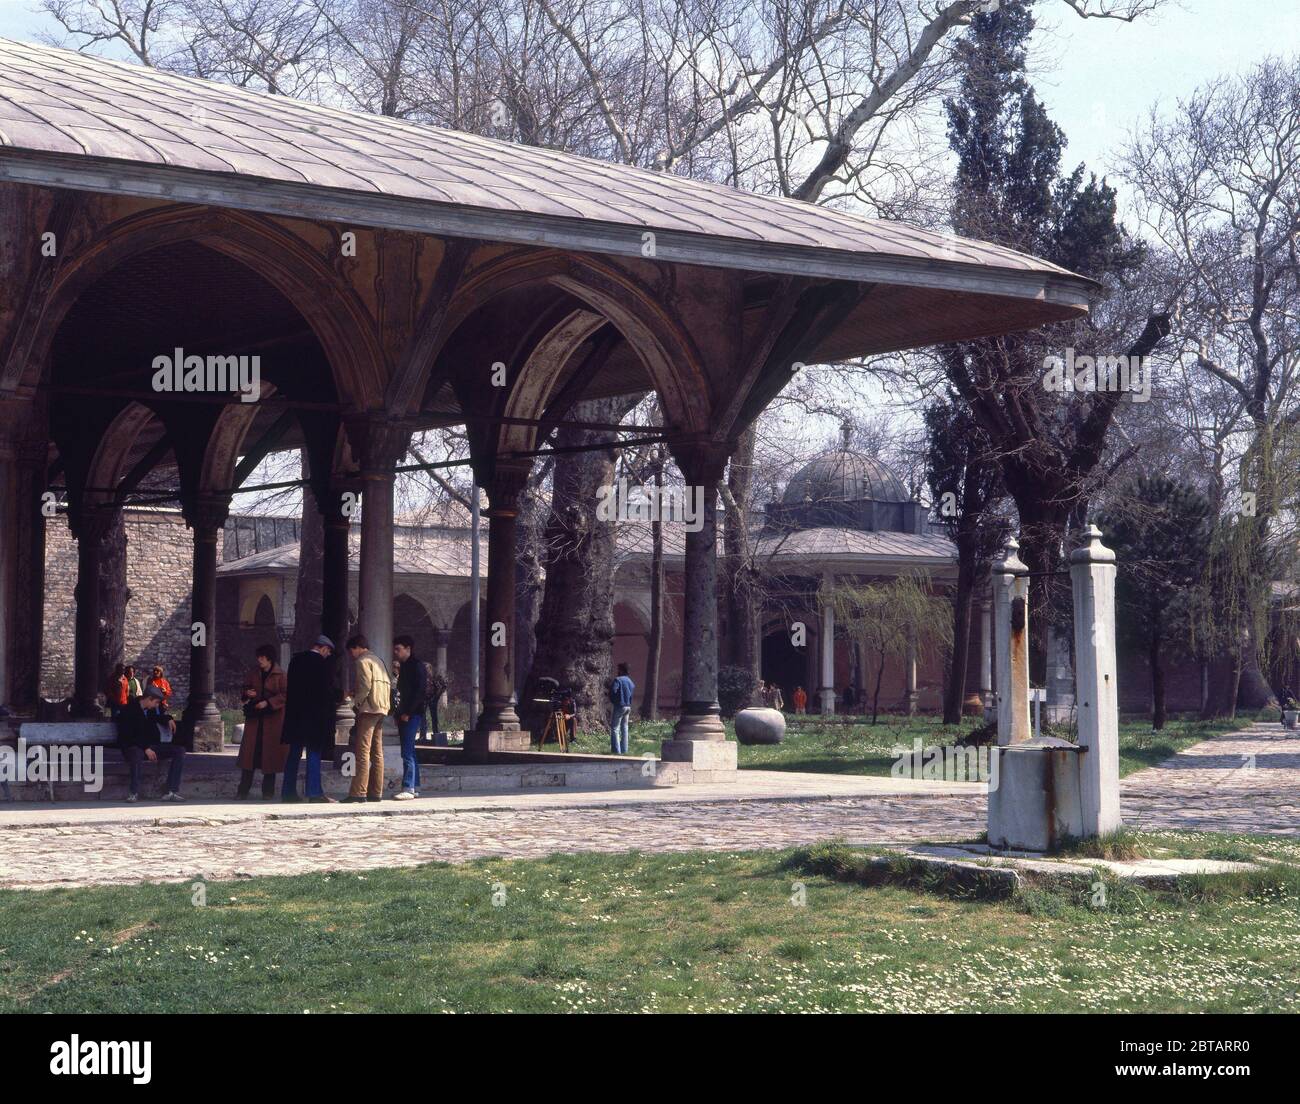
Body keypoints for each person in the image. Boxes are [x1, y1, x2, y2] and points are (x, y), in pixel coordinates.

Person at [281, 636, 338, 804]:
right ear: (323, 649)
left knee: (294, 755)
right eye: (327, 651)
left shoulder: (296, 661)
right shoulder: (322, 664)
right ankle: (314, 793)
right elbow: (326, 692)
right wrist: (341, 695)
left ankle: (288, 792)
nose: (327, 655)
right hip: (315, 718)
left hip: (296, 716)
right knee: (314, 754)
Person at [115, 683, 186, 802]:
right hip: (133, 747)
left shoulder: (149, 710)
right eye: (156, 702)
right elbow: (127, 736)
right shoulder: (128, 710)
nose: (157, 705)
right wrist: (146, 748)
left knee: (179, 751)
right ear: (149, 699)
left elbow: (157, 718)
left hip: (149, 747)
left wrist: (168, 718)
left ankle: (171, 791)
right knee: (136, 754)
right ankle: (134, 792)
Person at [237, 644, 289, 799]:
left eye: (262, 658)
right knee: (249, 758)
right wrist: (247, 693)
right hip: (255, 721)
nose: (259, 660)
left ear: (269, 658)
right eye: (258, 657)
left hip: (272, 721)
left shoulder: (281, 675)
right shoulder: (254, 673)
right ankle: (242, 791)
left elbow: (286, 694)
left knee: (270, 758)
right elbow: (244, 689)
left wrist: (268, 702)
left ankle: (268, 792)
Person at [346, 634, 391, 803]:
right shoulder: (378, 660)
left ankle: (358, 793)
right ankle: (376, 792)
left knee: (362, 751)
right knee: (377, 752)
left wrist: (355, 703)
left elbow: (365, 686)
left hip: (368, 709)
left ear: (357, 647)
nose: (352, 655)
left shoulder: (363, 661)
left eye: (352, 651)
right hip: (381, 708)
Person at [392, 636, 430, 800]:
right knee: (410, 751)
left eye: (398, 649)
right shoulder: (406, 666)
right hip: (405, 713)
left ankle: (408, 787)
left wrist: (408, 712)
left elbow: (419, 692)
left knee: (407, 751)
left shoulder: (416, 666)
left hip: (412, 714)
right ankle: (415, 786)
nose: (396, 652)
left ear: (408, 649)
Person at [608, 662, 635, 755]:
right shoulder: (630, 681)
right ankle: (624, 750)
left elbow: (612, 691)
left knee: (615, 728)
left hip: (620, 706)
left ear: (621, 670)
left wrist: (614, 701)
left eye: (618, 669)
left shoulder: (617, 680)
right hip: (628, 706)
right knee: (625, 728)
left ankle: (616, 751)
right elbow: (631, 693)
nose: (617, 671)